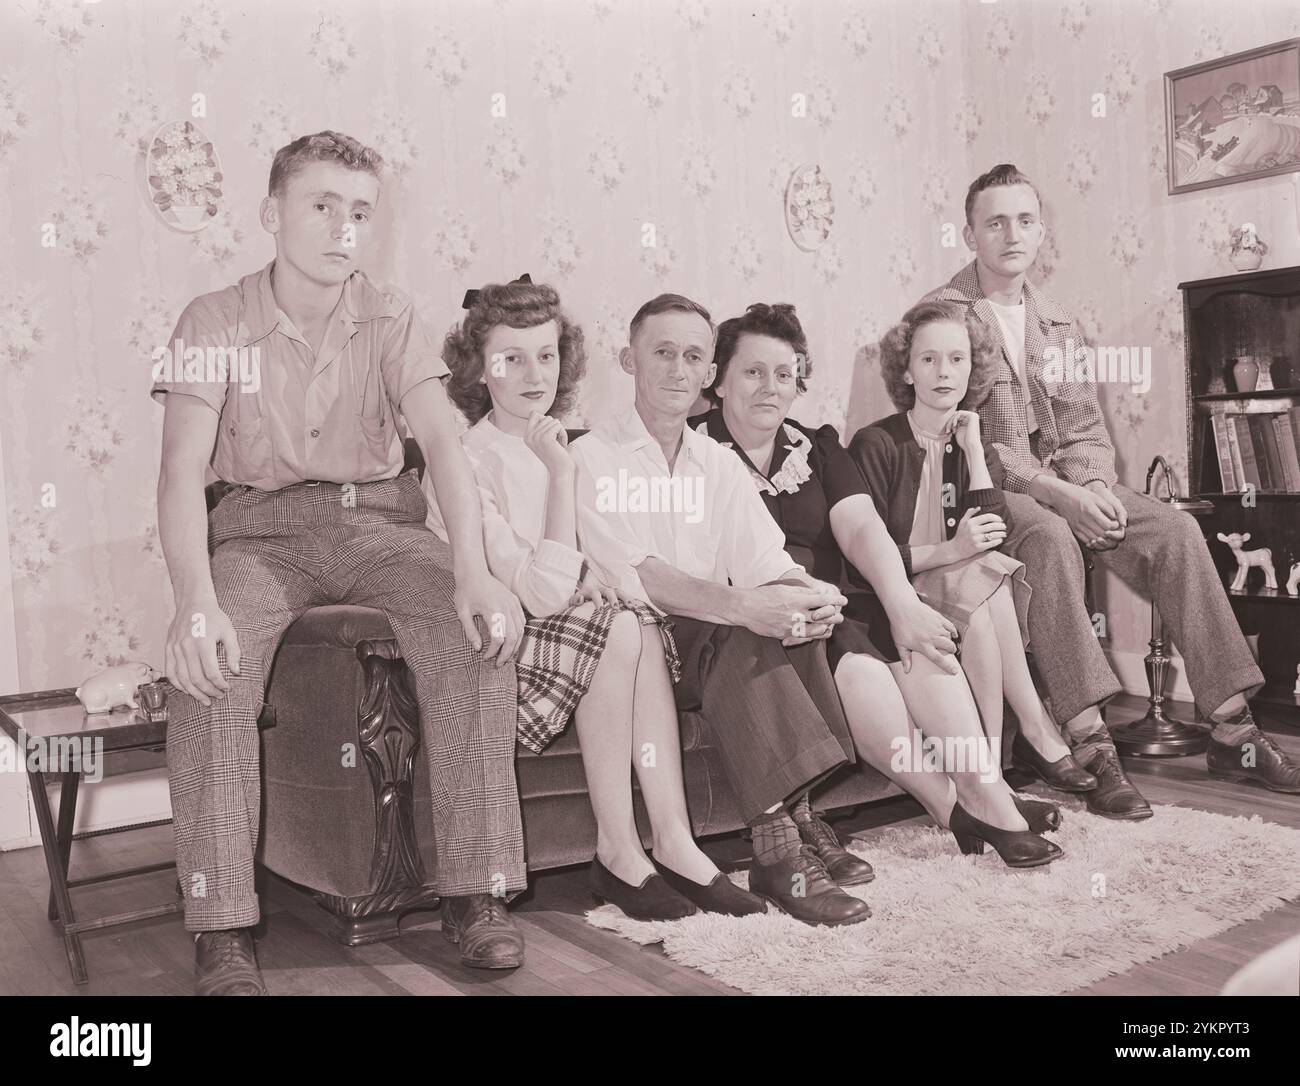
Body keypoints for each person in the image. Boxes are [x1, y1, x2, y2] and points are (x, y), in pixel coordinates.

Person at [152, 132, 529, 993]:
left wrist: (473, 571)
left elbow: (442, 444)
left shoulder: (392, 316)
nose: (343, 227)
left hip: (380, 525)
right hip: (259, 533)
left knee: (475, 631)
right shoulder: (212, 320)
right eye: (322, 205)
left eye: (360, 212)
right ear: (272, 214)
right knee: (212, 665)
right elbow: (178, 474)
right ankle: (222, 925)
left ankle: (475, 892)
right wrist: (193, 599)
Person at [917, 162, 1300, 810]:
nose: (1013, 234)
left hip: (1067, 483)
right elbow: (966, 433)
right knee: (1049, 532)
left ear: (1042, 233)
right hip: (980, 489)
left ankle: (1233, 727)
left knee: (1174, 529)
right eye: (996, 222)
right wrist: (1057, 495)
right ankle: (1090, 741)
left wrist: (1094, 491)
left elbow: (1086, 428)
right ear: (970, 234)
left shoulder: (1060, 324)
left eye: (1026, 220)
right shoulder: (945, 317)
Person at [427, 277, 764, 920]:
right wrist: (559, 475)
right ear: (478, 368)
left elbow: (608, 561)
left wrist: (601, 575)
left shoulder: (565, 440)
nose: (534, 375)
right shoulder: (464, 459)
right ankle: (620, 848)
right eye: (510, 359)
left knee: (631, 620)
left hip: (587, 631)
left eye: (547, 356)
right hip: (501, 648)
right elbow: (541, 590)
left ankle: (671, 841)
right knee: (622, 626)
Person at [691, 303, 1064, 870]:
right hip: (767, 613)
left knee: (921, 635)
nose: (771, 388)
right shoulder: (695, 453)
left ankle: (986, 792)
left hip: (841, 601)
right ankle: (955, 805)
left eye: (785, 374)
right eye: (752, 372)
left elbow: (862, 526)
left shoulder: (815, 445)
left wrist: (902, 603)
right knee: (866, 671)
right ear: (718, 381)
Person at [569, 293, 875, 926]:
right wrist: (745, 607)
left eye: (693, 356)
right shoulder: (592, 457)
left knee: (791, 621)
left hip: (710, 643)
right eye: (662, 352)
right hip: (638, 655)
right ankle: (779, 849)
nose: (678, 369)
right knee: (743, 629)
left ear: (708, 372)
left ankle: (793, 829)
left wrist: (807, 596)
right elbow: (638, 574)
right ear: (629, 360)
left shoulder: (717, 463)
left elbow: (765, 557)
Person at [848, 299, 1095, 794]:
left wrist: (977, 454)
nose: (945, 372)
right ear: (907, 371)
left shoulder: (971, 443)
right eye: (929, 359)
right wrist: (950, 551)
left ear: (973, 369)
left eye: (957, 359)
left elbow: (994, 532)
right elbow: (864, 559)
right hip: (894, 591)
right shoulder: (875, 444)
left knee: (989, 580)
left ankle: (994, 766)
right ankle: (1031, 735)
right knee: (987, 579)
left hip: (964, 584)